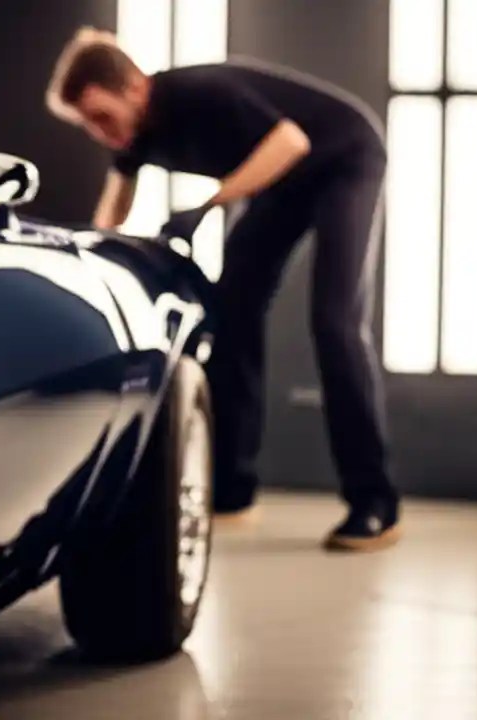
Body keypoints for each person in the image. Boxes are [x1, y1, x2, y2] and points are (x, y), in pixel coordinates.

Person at [46, 27, 400, 551]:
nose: (100, 132)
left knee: (335, 322)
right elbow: (111, 213)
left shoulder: (200, 92)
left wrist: (207, 208)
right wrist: (85, 261)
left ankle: (375, 503)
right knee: (231, 312)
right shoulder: (132, 139)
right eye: (88, 125)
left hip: (344, 158)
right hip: (282, 183)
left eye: (102, 116)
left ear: (135, 87)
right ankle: (233, 490)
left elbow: (291, 141)